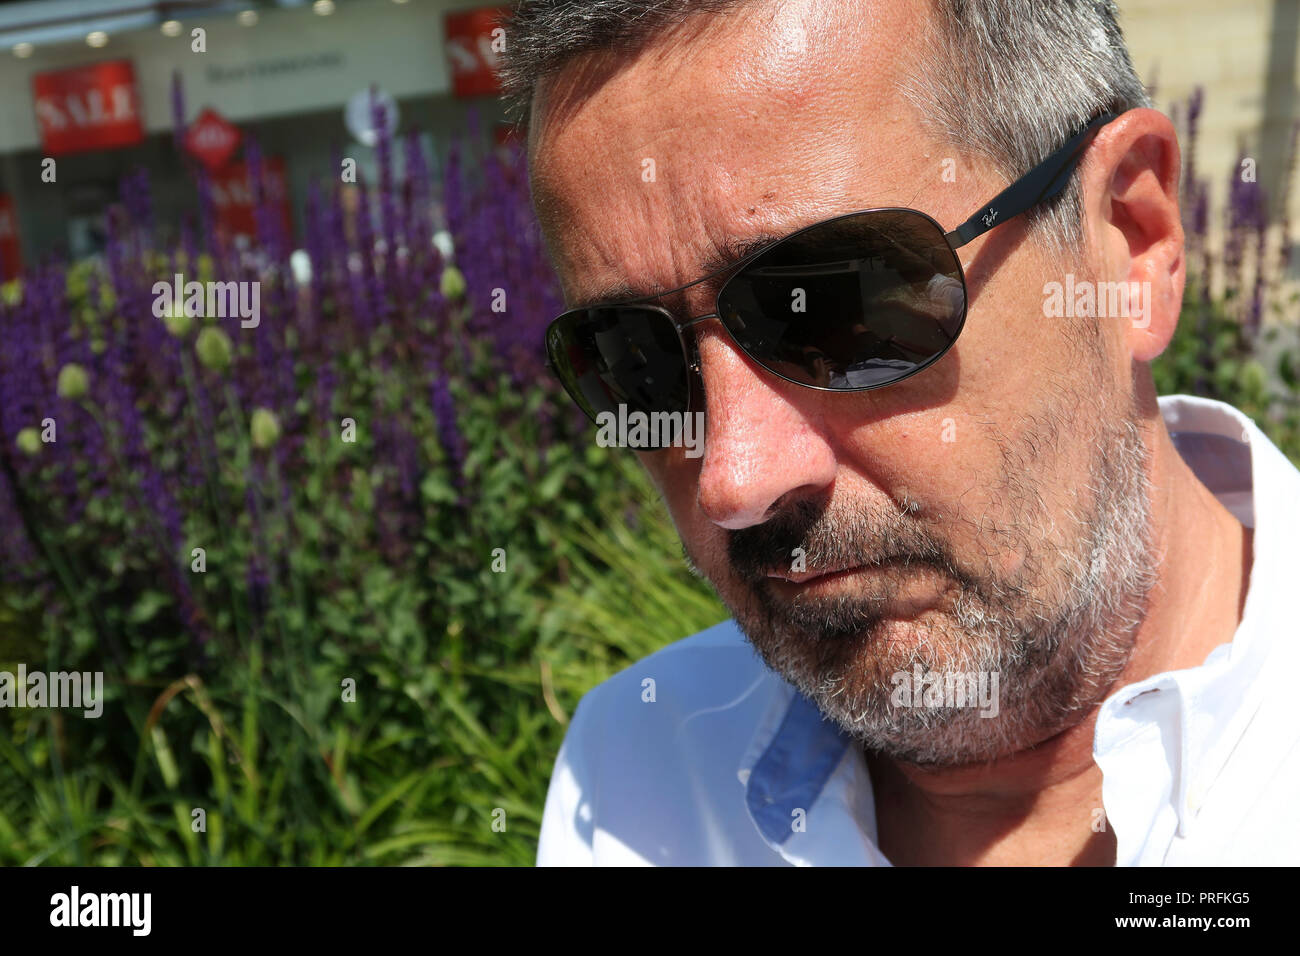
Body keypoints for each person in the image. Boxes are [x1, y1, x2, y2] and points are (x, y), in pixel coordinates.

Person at [502, 0, 1300, 865]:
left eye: (838, 307)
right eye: (632, 361)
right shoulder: (637, 784)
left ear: (1128, 243)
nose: (734, 480)